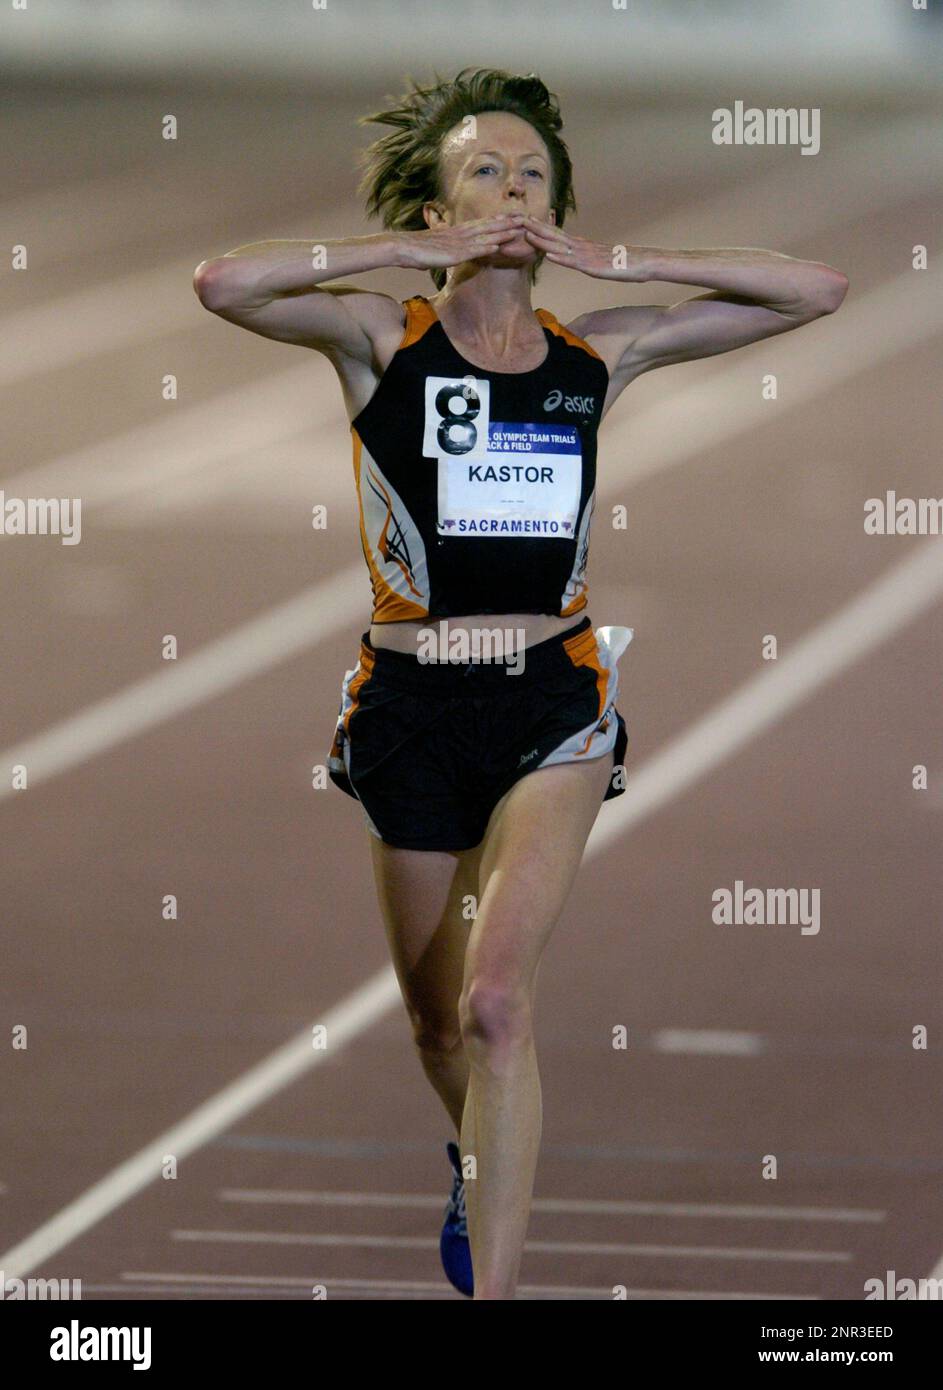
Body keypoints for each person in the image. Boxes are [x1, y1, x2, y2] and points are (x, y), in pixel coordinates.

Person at [193, 67, 848, 1301]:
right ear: (440, 202)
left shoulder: (595, 353)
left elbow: (817, 290)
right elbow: (225, 282)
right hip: (405, 714)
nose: (510, 188)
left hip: (552, 704)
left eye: (531, 171)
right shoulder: (379, 336)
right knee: (441, 1025)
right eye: (483, 170)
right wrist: (401, 248)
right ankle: (472, 1155)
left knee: (499, 1004)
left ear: (558, 201)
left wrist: (623, 261)